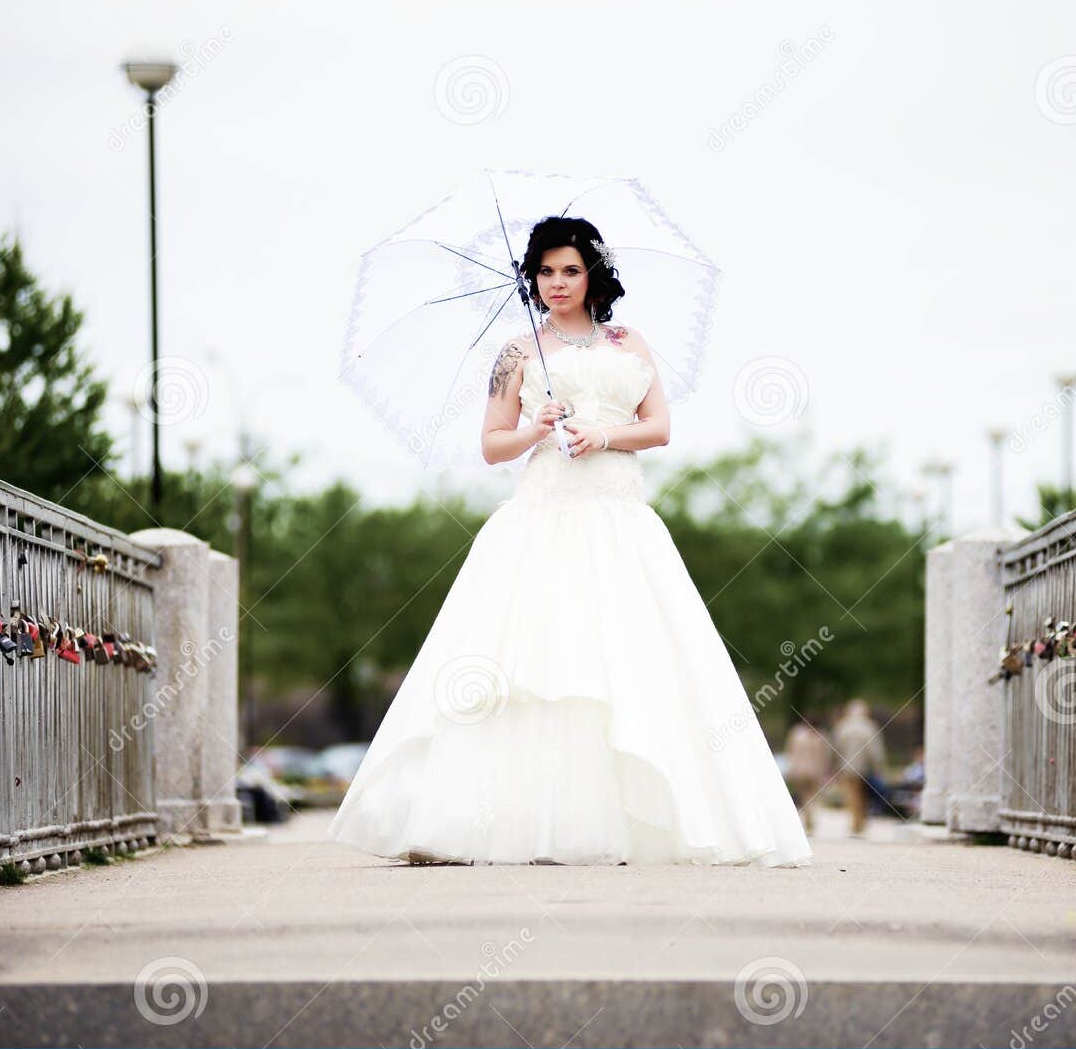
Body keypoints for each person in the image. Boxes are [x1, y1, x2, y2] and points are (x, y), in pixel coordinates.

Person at [326, 216, 813, 868]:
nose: (557, 283)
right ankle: (491, 823)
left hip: (618, 511)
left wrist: (602, 435)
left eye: (570, 270)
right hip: (544, 509)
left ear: (592, 274)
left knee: (630, 651)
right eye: (546, 271)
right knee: (536, 652)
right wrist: (536, 427)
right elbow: (491, 444)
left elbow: (660, 427)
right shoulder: (514, 352)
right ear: (532, 277)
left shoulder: (627, 338)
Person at [830, 699, 886, 837]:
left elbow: (835, 747)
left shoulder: (843, 726)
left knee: (851, 795)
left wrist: (834, 764)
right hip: (863, 767)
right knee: (862, 794)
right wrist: (878, 765)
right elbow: (875, 750)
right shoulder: (869, 727)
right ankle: (859, 822)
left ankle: (856, 822)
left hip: (846, 766)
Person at [783, 716, 831, 835]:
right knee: (812, 795)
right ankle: (810, 815)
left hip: (799, 770)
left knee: (803, 794)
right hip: (815, 771)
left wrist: (791, 768)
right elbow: (826, 756)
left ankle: (807, 816)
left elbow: (790, 752)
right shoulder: (821, 737)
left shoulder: (797, 734)